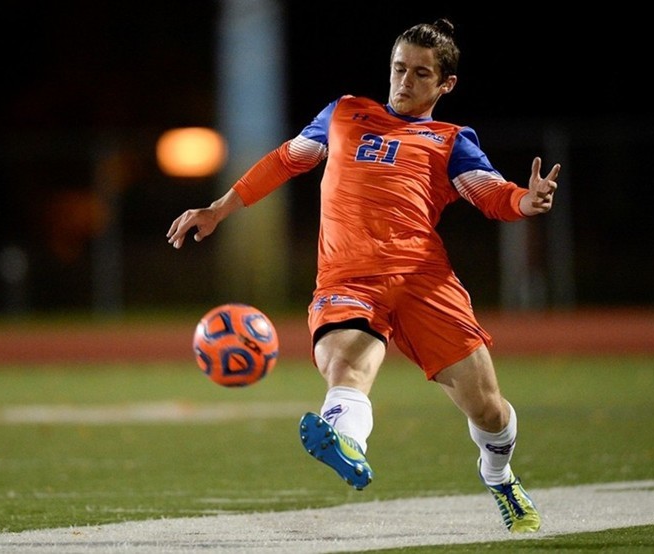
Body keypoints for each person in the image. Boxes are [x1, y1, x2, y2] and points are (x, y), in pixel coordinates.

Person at [167, 18, 559, 533]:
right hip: (348, 278)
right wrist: (219, 208)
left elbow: (489, 193)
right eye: (399, 68)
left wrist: (525, 201)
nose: (405, 81)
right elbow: (286, 161)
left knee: (487, 410)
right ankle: (345, 439)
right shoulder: (344, 113)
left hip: (424, 282)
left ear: (446, 85)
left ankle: (499, 474)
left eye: (421, 73)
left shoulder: (449, 140)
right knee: (346, 364)